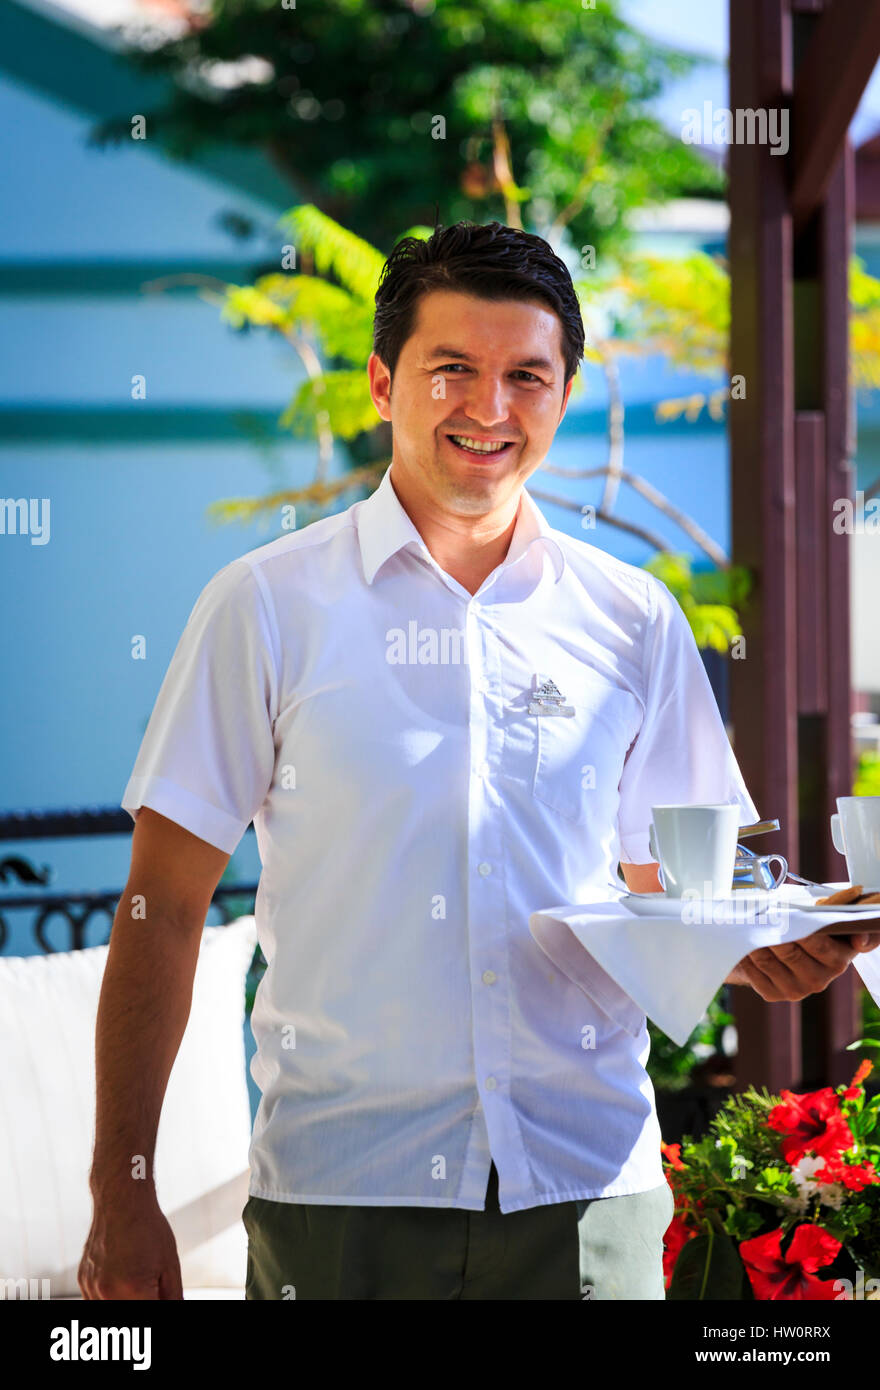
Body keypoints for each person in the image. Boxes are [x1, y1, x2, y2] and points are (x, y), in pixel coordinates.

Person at [78, 221, 877, 1301]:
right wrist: (122, 1192)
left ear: (565, 391)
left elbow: (675, 891)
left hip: (589, 1192)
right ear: (380, 381)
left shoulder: (634, 618)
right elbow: (161, 909)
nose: (487, 409)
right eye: (450, 369)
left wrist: (756, 947)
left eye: (525, 376)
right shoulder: (264, 606)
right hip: (345, 1201)